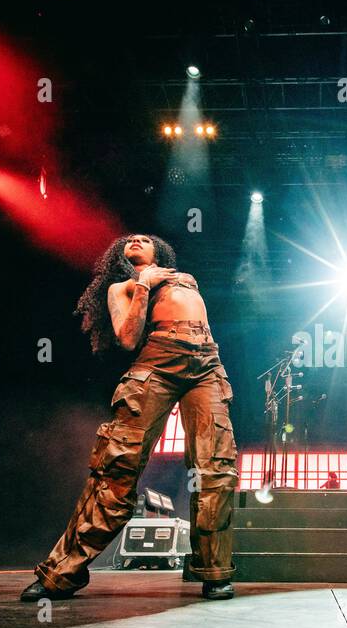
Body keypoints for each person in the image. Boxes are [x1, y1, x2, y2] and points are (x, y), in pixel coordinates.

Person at [22, 233, 239, 602]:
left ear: (161, 251)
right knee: (116, 467)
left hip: (206, 366)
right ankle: (63, 573)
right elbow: (127, 337)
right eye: (130, 240)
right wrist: (143, 285)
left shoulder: (185, 278)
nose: (136, 240)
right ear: (120, 256)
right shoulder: (121, 288)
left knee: (215, 468)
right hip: (156, 363)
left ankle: (213, 572)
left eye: (145, 239)